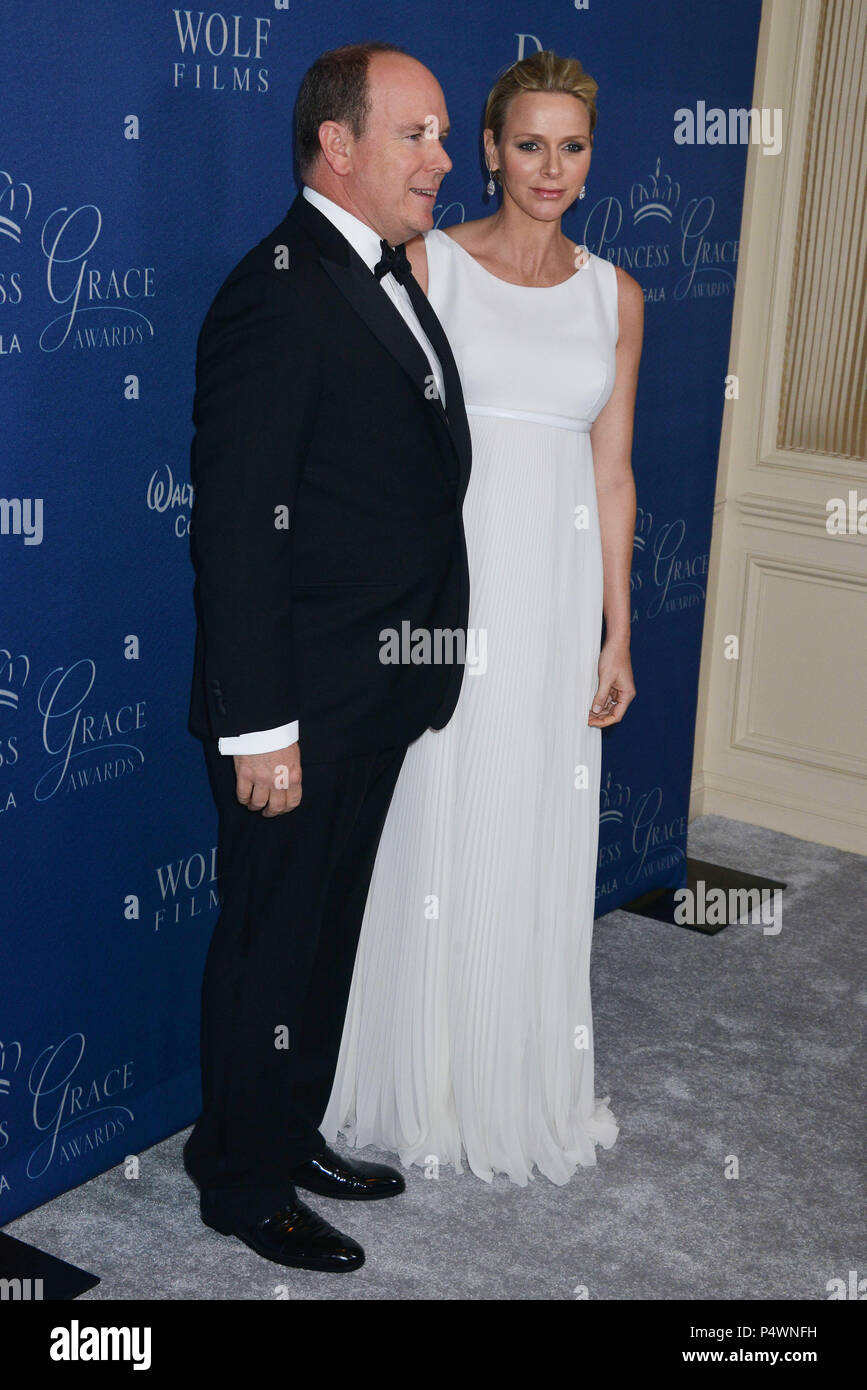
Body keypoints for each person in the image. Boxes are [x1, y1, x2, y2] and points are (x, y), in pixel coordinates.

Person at [324, 50, 643, 1186]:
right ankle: (418, 1075)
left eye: (573, 146)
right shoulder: (429, 264)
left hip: (557, 608)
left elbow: (613, 474)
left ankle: (515, 1077)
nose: (550, 168)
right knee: (436, 821)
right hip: (447, 601)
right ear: (493, 151)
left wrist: (617, 631)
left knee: (532, 829)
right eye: (527, 144)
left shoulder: (616, 296)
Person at [183, 41, 471, 1271]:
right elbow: (241, 527)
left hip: (377, 687)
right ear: (337, 145)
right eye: (416, 134)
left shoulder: (385, 271)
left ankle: (288, 1128)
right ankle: (240, 1182)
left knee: (328, 928)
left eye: (444, 133)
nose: (443, 158)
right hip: (296, 704)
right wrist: (260, 724)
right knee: (271, 938)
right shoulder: (276, 289)